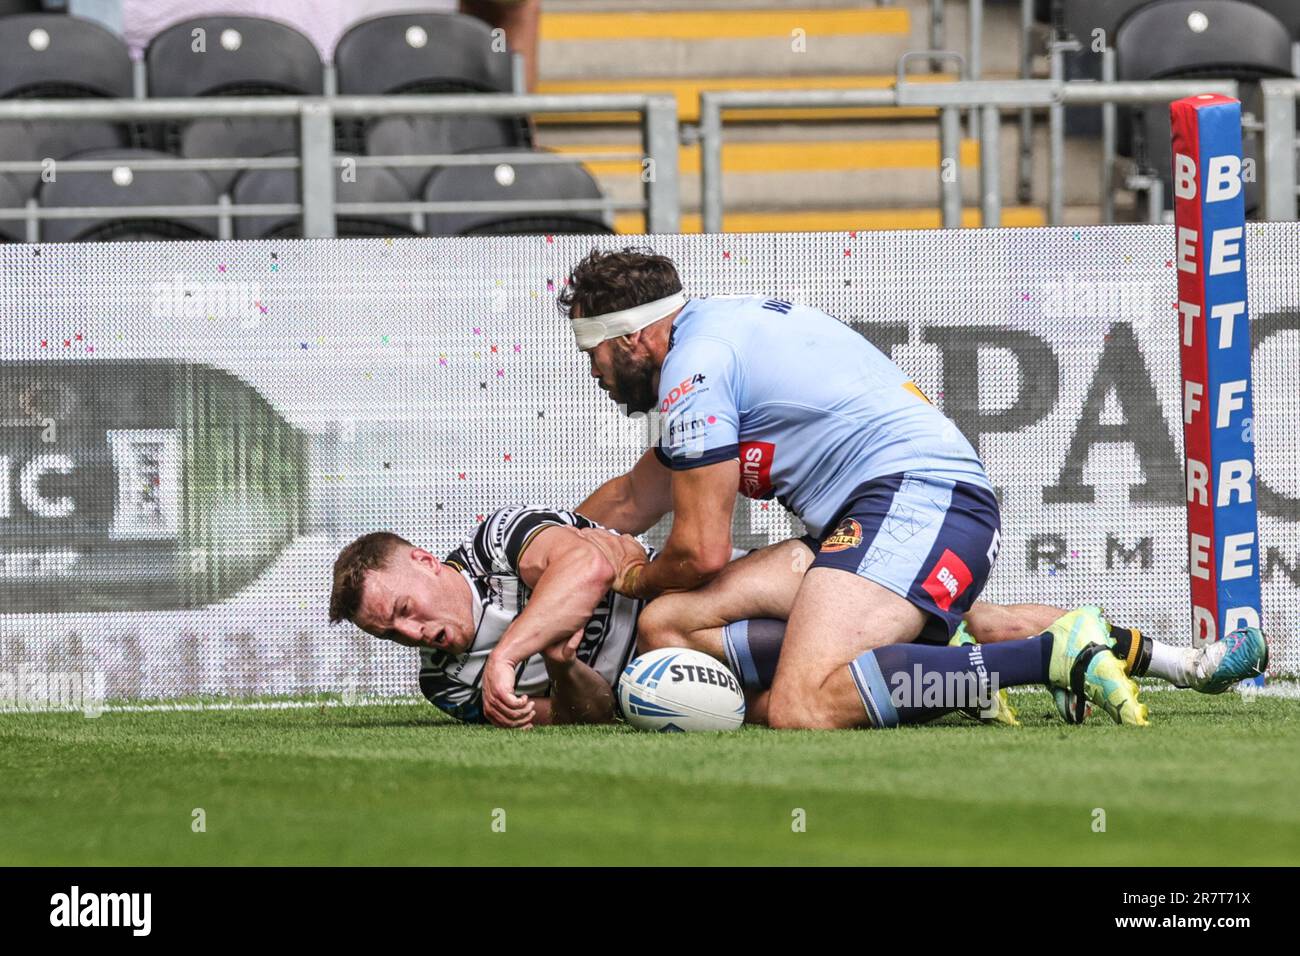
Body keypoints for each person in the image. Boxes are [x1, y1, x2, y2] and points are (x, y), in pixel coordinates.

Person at [561, 245, 1148, 727]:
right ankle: (932, 673)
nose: (595, 372)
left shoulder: (694, 370)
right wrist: (547, 548)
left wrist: (631, 576)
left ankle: (1045, 656)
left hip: (917, 499)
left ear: (630, 339)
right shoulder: (711, 336)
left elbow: (700, 552)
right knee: (668, 626)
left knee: (800, 706)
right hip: (878, 515)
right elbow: (635, 498)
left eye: (594, 353)